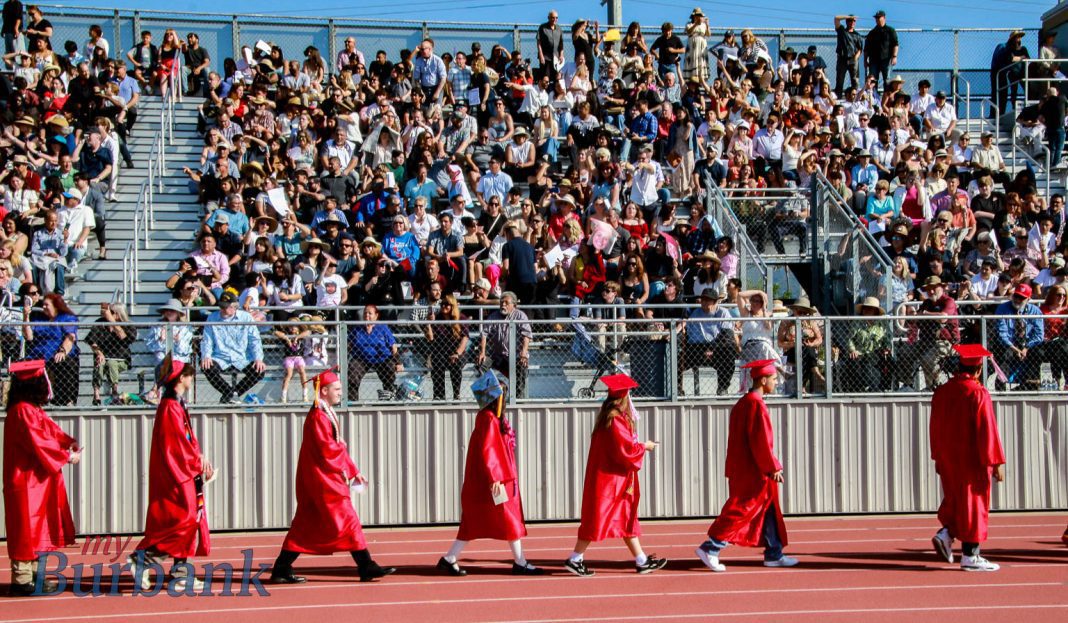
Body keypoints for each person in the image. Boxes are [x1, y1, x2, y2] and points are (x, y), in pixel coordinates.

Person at [270, 369, 396, 584]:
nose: (341, 392)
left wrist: (353, 470)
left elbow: (336, 447)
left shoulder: (325, 411)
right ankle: (366, 565)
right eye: (337, 389)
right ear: (325, 390)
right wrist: (345, 463)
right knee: (348, 518)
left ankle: (281, 568)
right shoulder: (318, 415)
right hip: (323, 479)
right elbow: (328, 449)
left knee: (305, 523)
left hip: (321, 477)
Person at [696, 359, 797, 572]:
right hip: (752, 469)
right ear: (762, 379)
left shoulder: (745, 402)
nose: (776, 383)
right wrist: (773, 466)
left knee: (768, 509)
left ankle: (774, 553)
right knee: (743, 508)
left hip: (746, 465)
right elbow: (760, 441)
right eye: (774, 379)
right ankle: (711, 547)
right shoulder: (754, 404)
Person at [437, 370, 542, 576]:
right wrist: (496, 477)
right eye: (502, 394)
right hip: (496, 480)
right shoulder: (488, 419)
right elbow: (489, 450)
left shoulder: (492, 417)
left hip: (495, 478)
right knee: (507, 517)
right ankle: (520, 562)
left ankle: (449, 558)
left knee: (475, 521)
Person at [565, 374, 666, 577]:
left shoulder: (610, 416)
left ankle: (641, 560)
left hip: (616, 480)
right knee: (597, 520)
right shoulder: (615, 420)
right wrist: (644, 446)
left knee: (626, 518)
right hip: (609, 481)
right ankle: (575, 558)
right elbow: (626, 449)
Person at [129, 356, 213, 592]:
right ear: (181, 378)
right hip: (176, 474)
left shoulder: (176, 404)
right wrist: (196, 461)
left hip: (185, 471)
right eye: (189, 375)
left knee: (191, 518)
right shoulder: (169, 407)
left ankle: (180, 573)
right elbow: (175, 446)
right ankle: (143, 559)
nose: (192, 379)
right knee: (183, 520)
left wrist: (201, 457)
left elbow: (186, 439)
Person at [3, 359, 81, 596]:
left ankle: (35, 575)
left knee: (37, 527)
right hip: (25, 482)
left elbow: (51, 432)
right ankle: (22, 579)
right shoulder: (22, 411)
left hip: (36, 482)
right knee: (26, 529)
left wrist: (68, 443)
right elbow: (40, 442)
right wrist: (66, 456)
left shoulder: (31, 409)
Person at [930, 344, 1006, 572]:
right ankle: (971, 555)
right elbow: (987, 429)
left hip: (948, 456)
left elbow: (934, 426)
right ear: (979, 370)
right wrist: (996, 461)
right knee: (974, 503)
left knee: (957, 500)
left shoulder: (943, 391)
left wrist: (938, 455)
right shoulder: (977, 393)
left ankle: (946, 534)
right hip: (972, 457)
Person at [199, 291, 266, 404]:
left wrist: (258, 358)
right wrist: (206, 356)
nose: (224, 310)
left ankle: (231, 394)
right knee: (206, 367)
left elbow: (254, 339)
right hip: (220, 357)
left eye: (227, 307)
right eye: (222, 307)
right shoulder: (212, 317)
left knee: (259, 371)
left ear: (235, 306)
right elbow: (207, 339)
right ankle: (231, 394)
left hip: (242, 358)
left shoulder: (246, 317)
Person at [21, 293, 79, 406]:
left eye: (46, 305)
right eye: (43, 305)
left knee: (64, 363)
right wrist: (26, 317)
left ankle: (65, 401)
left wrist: (62, 351)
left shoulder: (67, 318)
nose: (43, 307)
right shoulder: (38, 318)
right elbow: (29, 337)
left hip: (56, 354)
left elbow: (70, 337)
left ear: (56, 305)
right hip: (38, 354)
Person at [477, 292, 532, 399]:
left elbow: (527, 335)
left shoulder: (520, 316)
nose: (503, 305)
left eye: (506, 303)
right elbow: (484, 334)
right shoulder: (494, 316)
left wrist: (524, 352)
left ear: (514, 305)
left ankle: (518, 398)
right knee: (481, 365)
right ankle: (491, 398)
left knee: (521, 366)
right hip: (498, 356)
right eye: (501, 302)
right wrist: (482, 352)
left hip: (516, 356)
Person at [347, 304, 400, 401]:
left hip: (381, 359)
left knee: (389, 368)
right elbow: (348, 346)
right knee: (353, 371)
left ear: (376, 315)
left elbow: (393, 347)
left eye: (370, 313)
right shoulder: (357, 329)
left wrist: (398, 362)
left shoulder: (383, 328)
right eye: (365, 313)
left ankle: (388, 397)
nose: (367, 315)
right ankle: (352, 401)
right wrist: (342, 362)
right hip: (361, 359)